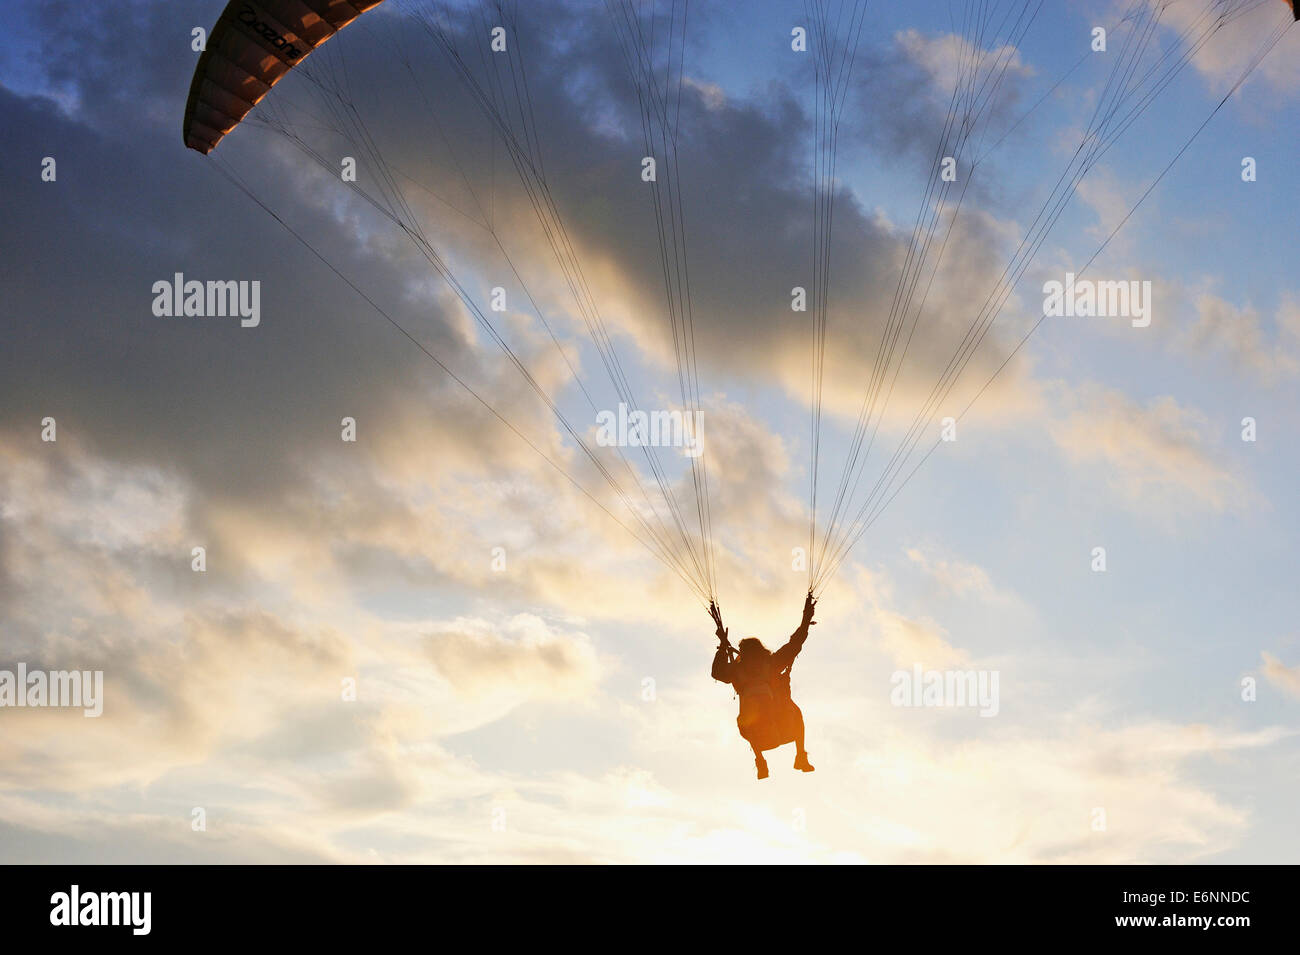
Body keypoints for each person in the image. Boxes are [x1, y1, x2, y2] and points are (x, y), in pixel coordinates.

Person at [710, 594, 817, 779]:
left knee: (750, 721)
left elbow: (717, 672)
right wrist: (806, 620)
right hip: (775, 728)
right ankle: (800, 755)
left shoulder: (737, 670)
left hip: (755, 733)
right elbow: (794, 644)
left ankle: (760, 760)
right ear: (760, 651)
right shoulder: (771, 663)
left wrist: (721, 647)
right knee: (796, 714)